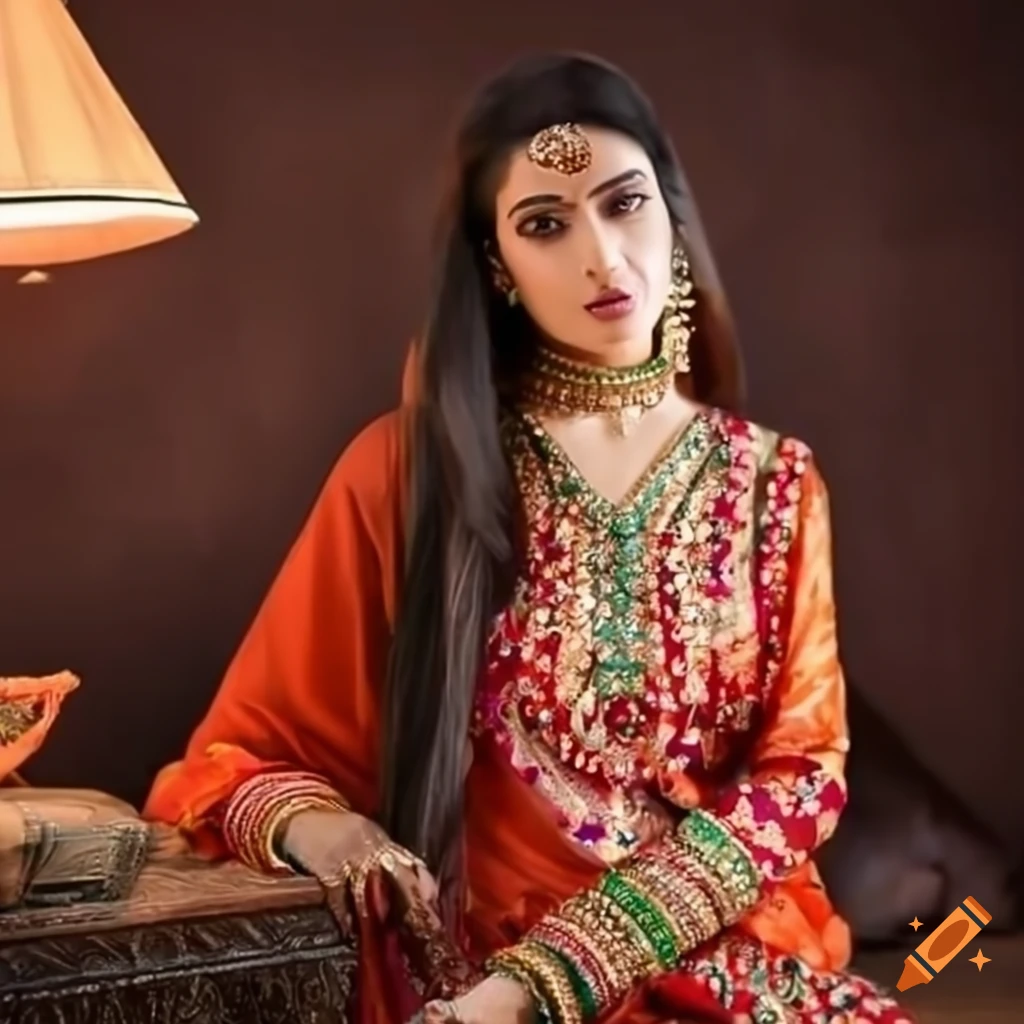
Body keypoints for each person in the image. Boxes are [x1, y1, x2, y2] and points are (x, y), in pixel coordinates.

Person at [145, 52, 916, 1024]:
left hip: (715, 961)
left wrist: (553, 977)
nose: (600, 255)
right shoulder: (410, 472)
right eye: (544, 225)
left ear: (671, 217)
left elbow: (800, 780)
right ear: (496, 265)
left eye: (623, 203)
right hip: (469, 970)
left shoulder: (774, 482)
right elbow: (237, 758)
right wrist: (322, 830)